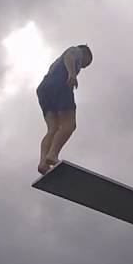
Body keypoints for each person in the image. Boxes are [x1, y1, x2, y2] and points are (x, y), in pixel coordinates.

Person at [36, 45, 92, 174]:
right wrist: (72, 75)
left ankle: (43, 163)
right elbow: (69, 56)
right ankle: (52, 155)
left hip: (44, 89)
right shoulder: (77, 51)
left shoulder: (55, 64)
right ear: (86, 54)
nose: (83, 67)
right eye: (85, 64)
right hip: (60, 83)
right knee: (69, 124)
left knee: (53, 129)